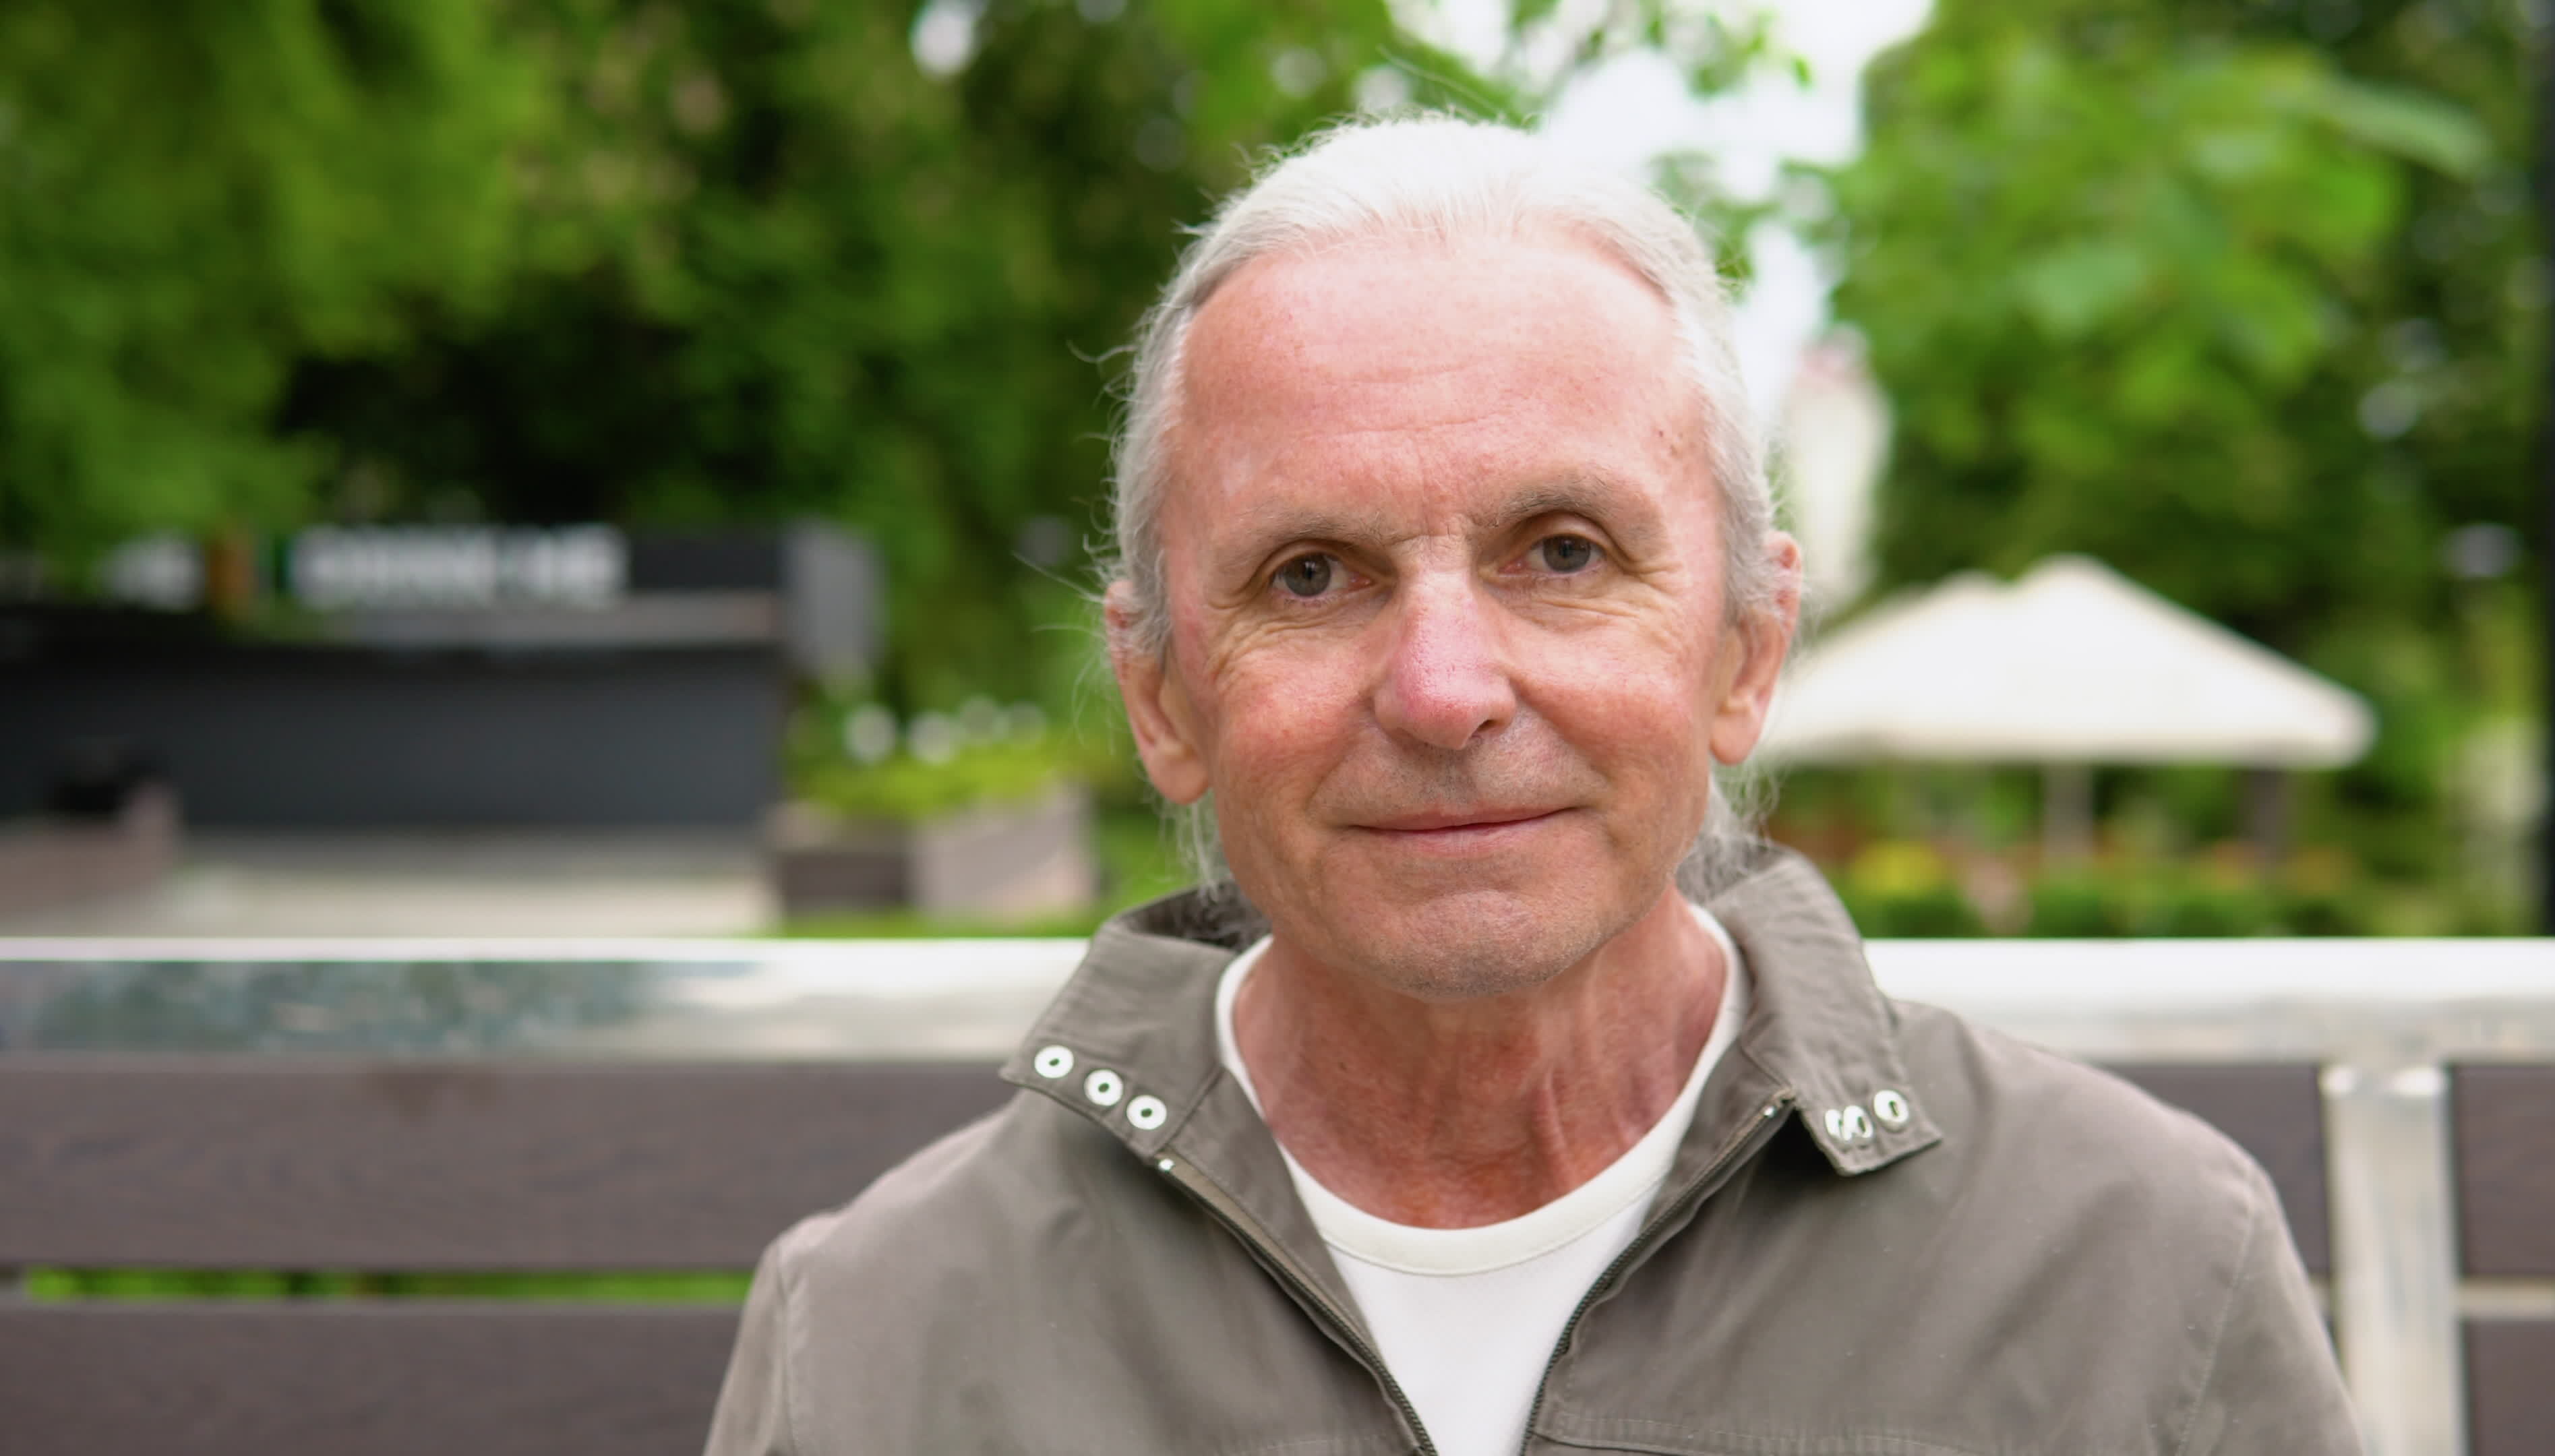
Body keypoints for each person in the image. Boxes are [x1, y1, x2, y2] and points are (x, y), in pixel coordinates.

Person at [703, 115, 2358, 1455]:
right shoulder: (880, 1337)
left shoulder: (2141, 1266)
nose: (1443, 690)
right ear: (1161, 697)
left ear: (1746, 649)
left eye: (1562, 553)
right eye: (1309, 577)